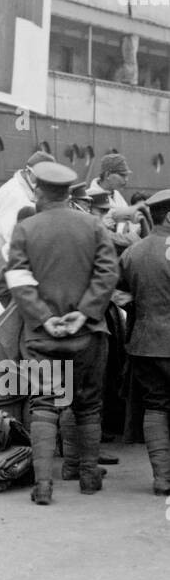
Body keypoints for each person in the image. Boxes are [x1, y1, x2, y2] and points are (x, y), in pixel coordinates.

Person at [5, 160, 119, 505]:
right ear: (69, 193)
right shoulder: (93, 226)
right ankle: (87, 476)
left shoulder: (25, 230)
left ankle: (43, 485)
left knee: (44, 404)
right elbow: (108, 274)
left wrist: (44, 317)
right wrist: (83, 314)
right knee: (88, 405)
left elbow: (18, 280)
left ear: (38, 190)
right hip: (87, 334)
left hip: (41, 335)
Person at [118, 189, 170, 493]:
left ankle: (162, 478)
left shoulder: (134, 252)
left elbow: (116, 292)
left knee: (156, 406)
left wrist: (136, 306)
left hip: (146, 343)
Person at [0, 150, 55, 275]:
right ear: (29, 172)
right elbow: (12, 234)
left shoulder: (25, 189)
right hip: (5, 251)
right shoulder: (14, 193)